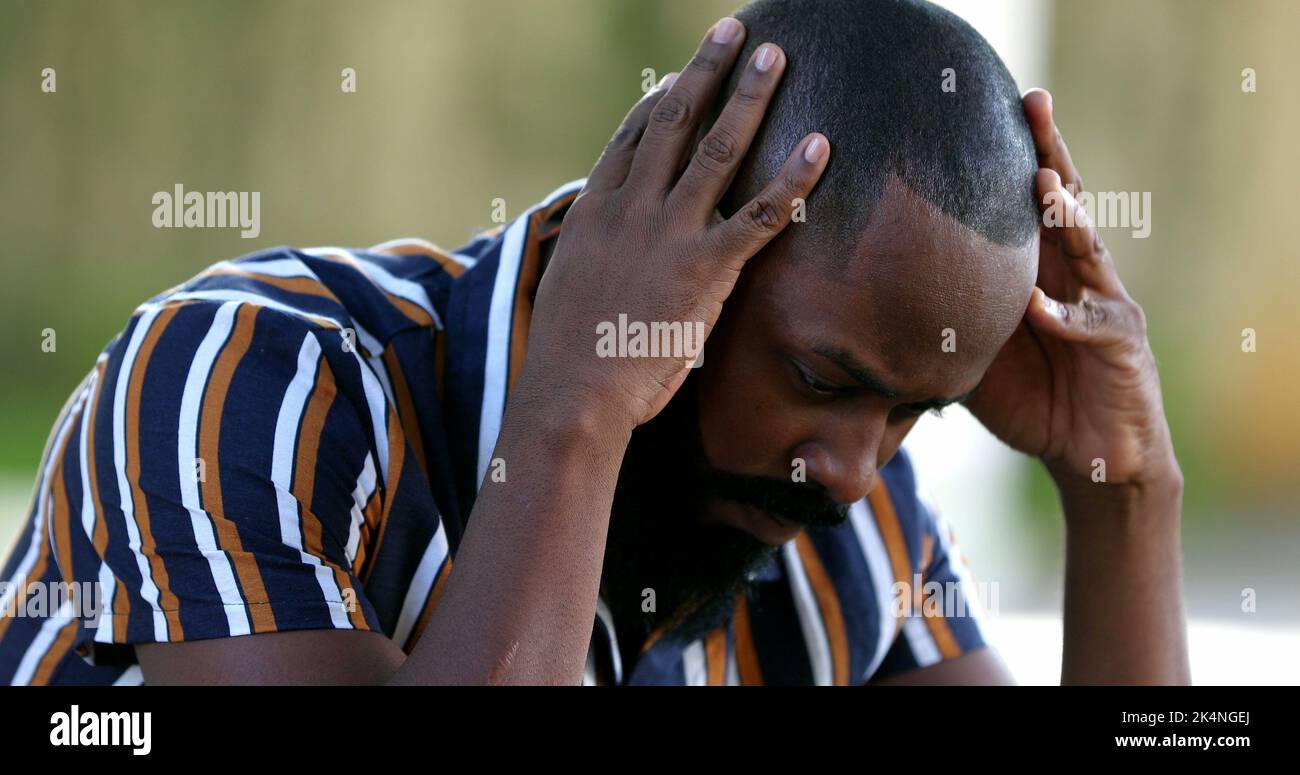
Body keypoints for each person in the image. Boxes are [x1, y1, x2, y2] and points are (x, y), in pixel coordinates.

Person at [0, 0, 1188, 685]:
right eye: (823, 379)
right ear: (674, 247)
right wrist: (576, 408)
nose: (853, 468)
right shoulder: (240, 382)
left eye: (913, 412)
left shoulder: (842, 519)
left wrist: (1125, 499)